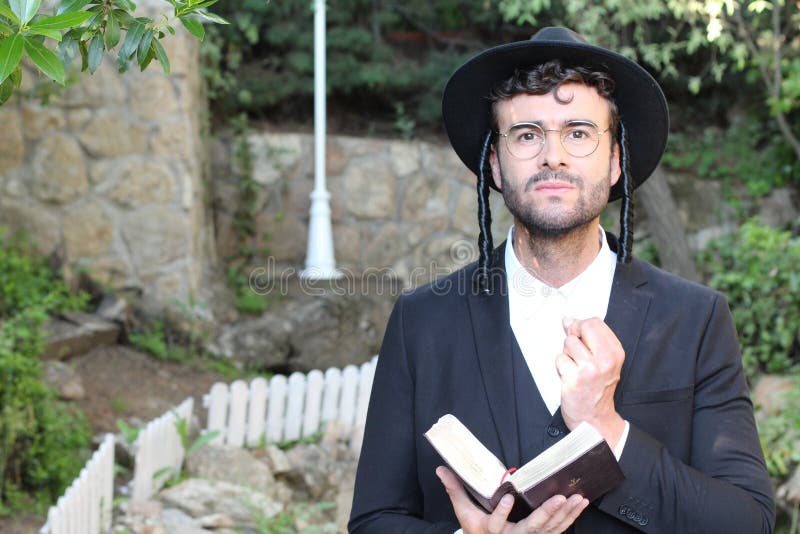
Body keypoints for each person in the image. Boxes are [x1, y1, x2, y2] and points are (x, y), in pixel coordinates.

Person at [349, 27, 775, 533]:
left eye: (578, 132)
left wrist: (609, 431)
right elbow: (374, 520)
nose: (553, 156)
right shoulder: (421, 322)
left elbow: (747, 522)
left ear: (616, 161)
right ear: (495, 165)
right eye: (527, 134)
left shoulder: (696, 319)